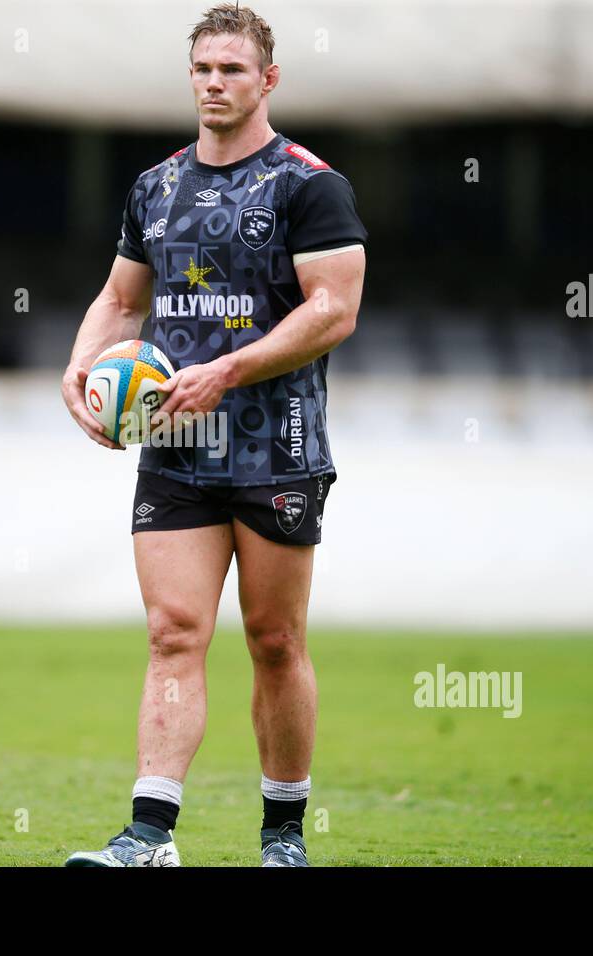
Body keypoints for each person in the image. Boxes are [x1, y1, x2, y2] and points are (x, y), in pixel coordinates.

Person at [59, 2, 367, 867]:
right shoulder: (156, 188)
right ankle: (150, 836)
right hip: (176, 453)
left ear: (267, 80)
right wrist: (79, 366)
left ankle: (283, 839)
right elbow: (122, 300)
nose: (214, 84)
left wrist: (227, 372)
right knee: (172, 632)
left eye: (232, 70)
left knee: (274, 641)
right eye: (202, 69)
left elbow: (334, 311)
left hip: (279, 445)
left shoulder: (311, 186)